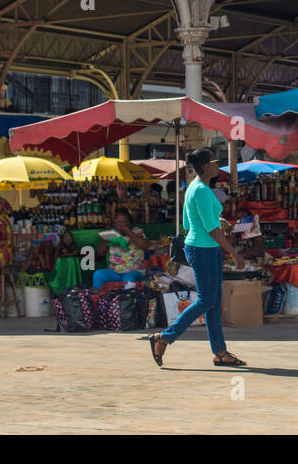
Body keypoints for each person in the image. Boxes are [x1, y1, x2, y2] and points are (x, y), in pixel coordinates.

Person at [146, 148, 247, 368]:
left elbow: (188, 222)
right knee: (206, 301)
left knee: (213, 302)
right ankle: (164, 337)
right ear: (205, 166)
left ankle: (220, 352)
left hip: (204, 248)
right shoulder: (201, 190)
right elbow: (210, 229)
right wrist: (233, 252)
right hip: (203, 249)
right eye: (214, 161)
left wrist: (217, 219)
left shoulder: (195, 187)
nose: (218, 165)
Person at [93, 208, 158, 288]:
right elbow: (100, 253)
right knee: (98, 275)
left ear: (129, 222)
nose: (120, 224)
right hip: (115, 271)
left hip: (135, 270)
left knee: (129, 279)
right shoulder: (112, 233)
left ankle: (127, 300)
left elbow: (145, 246)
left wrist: (128, 231)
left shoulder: (137, 232)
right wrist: (106, 240)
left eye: (123, 221)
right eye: (117, 221)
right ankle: (98, 299)